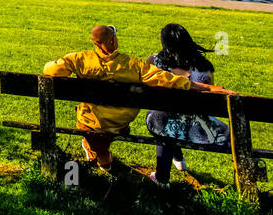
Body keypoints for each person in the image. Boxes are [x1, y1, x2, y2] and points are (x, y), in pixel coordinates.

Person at [43, 25, 233, 170]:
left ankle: (101, 156)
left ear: (95, 44)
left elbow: (51, 69)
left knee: (103, 157)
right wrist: (207, 87)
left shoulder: (80, 60)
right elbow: (167, 79)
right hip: (120, 124)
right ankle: (102, 153)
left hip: (90, 123)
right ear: (112, 42)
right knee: (107, 145)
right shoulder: (133, 66)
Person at [146, 23, 230, 185]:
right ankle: (178, 159)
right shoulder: (205, 67)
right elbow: (207, 102)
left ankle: (162, 179)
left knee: (166, 120)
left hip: (159, 122)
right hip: (196, 127)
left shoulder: (154, 61)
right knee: (176, 118)